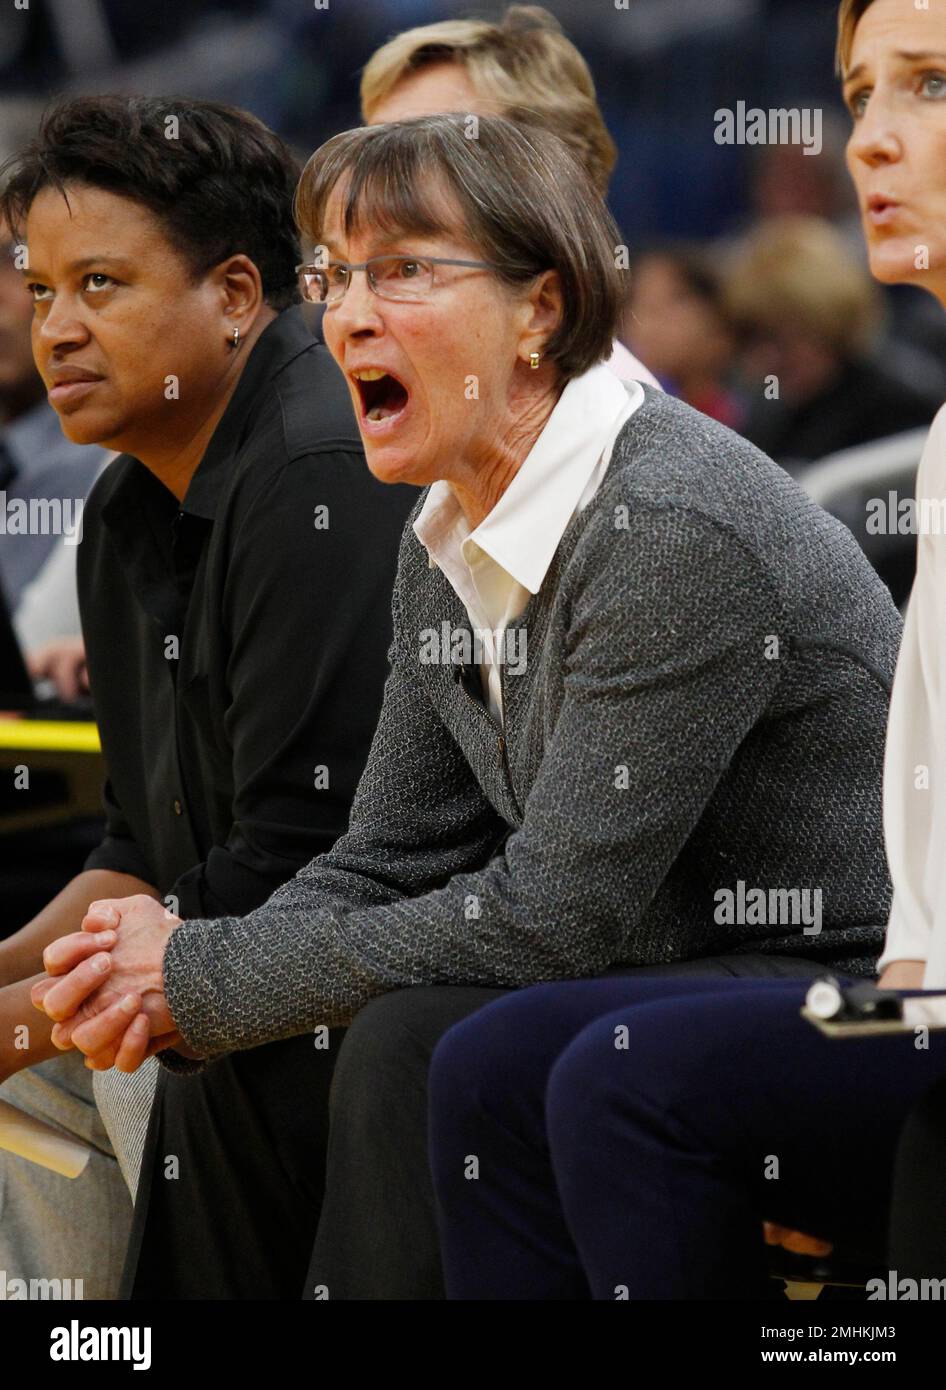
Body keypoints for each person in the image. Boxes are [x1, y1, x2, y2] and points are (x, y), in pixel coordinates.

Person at [35, 110, 902, 1301]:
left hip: (832, 979)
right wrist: (191, 974)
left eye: (401, 272)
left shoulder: (669, 521)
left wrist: (201, 975)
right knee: (296, 1041)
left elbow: (550, 917)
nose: (344, 314)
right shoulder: (442, 529)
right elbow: (385, 852)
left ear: (538, 310)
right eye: (333, 277)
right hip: (657, 968)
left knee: (416, 1039)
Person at [412, 0, 946, 1300]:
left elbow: (565, 896)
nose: (866, 141)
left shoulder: (678, 493)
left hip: (815, 953)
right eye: (856, 92)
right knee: (487, 1062)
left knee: (618, 1072)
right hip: (902, 984)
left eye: (925, 88)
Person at [0, 94, 412, 1298]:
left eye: (102, 287)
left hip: (350, 983)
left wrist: (20, 1022)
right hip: (216, 957)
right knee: (30, 1094)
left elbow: (297, 865)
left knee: (101, 1061)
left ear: (237, 295)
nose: (58, 331)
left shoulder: (317, 468)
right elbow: (143, 845)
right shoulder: (122, 501)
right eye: (41, 293)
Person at [360, 4, 660, 392]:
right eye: (369, 151)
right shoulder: (366, 381)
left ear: (555, 181)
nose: (374, 186)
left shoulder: (624, 424)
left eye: (430, 152)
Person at [726, 214, 940, 469]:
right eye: (752, 339)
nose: (768, 359)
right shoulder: (768, 411)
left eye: (782, 340)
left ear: (828, 324)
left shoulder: (902, 404)